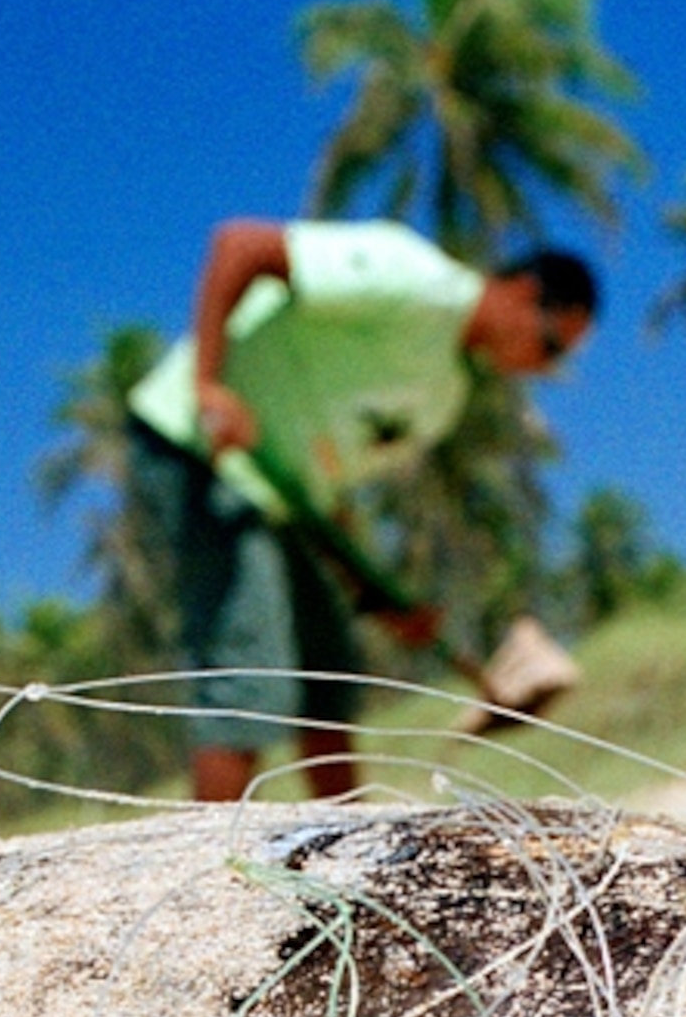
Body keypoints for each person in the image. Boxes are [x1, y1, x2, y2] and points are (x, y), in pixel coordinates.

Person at [123, 218, 598, 802]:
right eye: (548, 345)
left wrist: (377, 597)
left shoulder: (444, 396)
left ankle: (343, 850)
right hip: (196, 450)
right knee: (250, 665)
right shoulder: (413, 279)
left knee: (329, 672)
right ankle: (207, 868)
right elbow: (239, 245)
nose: (537, 367)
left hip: (279, 495)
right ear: (523, 293)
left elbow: (327, 487)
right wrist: (209, 387)